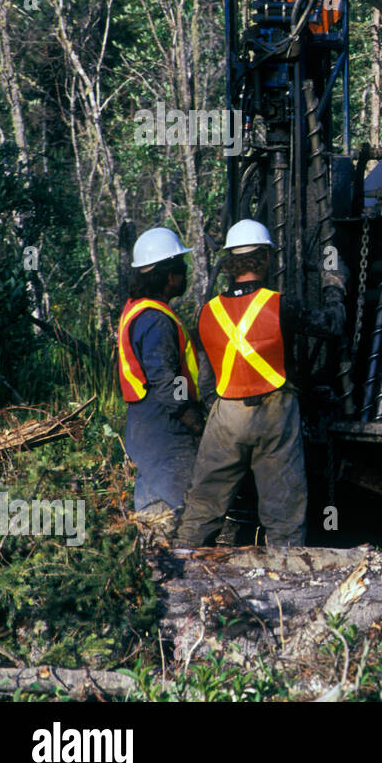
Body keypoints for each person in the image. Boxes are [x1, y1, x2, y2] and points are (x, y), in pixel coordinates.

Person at [176, 220, 345, 548]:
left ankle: (180, 565)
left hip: (226, 416)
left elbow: (204, 374)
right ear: (266, 258)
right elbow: (332, 325)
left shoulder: (205, 313)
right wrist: (334, 285)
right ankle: (284, 576)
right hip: (274, 413)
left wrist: (210, 408)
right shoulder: (281, 304)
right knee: (283, 511)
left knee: (203, 505)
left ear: (229, 263)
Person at [117, 227, 206, 535]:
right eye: (181, 267)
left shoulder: (139, 310)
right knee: (168, 516)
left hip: (145, 422)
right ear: (169, 275)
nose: (184, 274)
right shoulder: (156, 319)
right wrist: (194, 422)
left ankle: (153, 570)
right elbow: (165, 381)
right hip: (164, 429)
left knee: (154, 511)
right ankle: (166, 575)